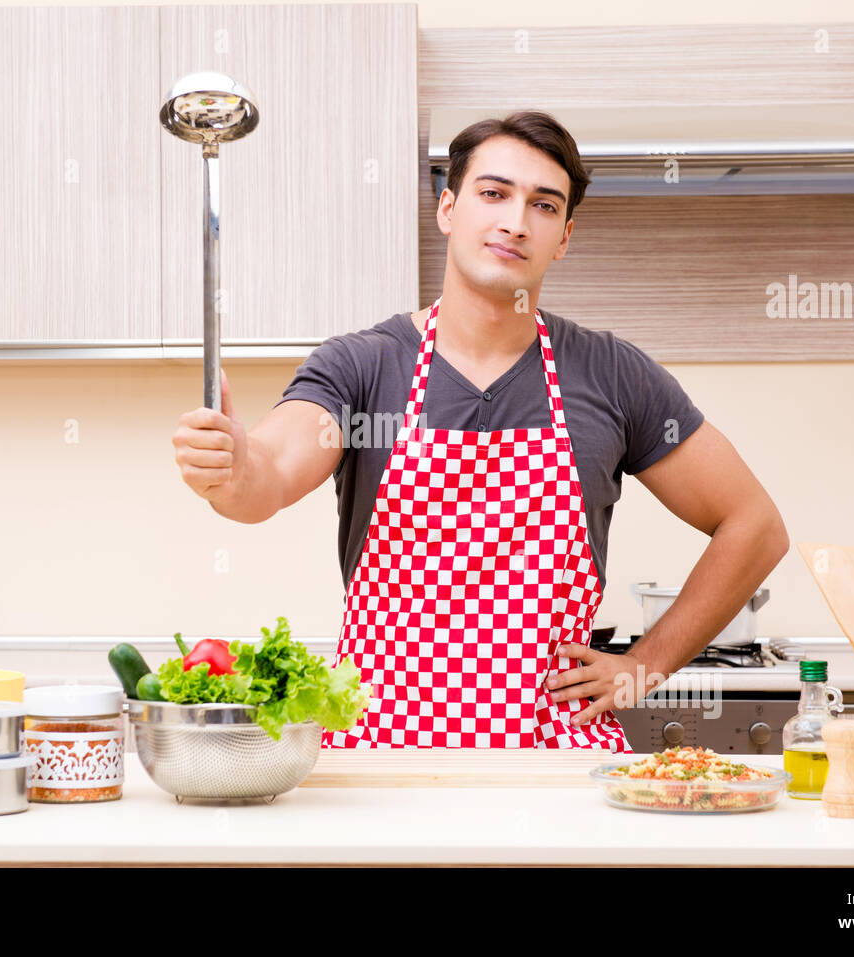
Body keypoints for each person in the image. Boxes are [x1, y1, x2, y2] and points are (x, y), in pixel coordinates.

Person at [172, 110, 789, 749]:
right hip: (381, 764)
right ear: (447, 208)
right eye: (493, 193)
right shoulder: (362, 366)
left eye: (543, 206)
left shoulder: (612, 375)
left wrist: (643, 668)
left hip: (554, 768)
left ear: (565, 237)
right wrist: (234, 466)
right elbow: (266, 478)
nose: (515, 222)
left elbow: (755, 526)